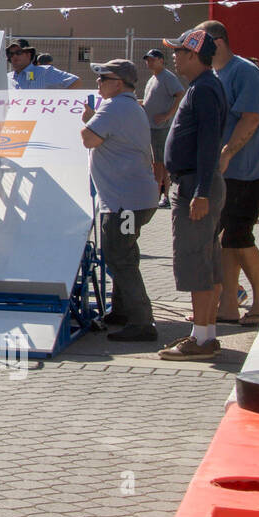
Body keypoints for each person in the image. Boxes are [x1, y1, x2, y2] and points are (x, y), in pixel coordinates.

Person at [198, 20, 259, 327]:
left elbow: (251, 119)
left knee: (240, 236)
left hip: (248, 171)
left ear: (217, 42)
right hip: (225, 172)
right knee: (225, 240)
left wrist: (227, 152)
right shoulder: (216, 74)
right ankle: (228, 304)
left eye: (198, 43)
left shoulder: (244, 71)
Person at [159, 29, 228, 361]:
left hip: (195, 187)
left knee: (196, 263)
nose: (173, 56)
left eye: (178, 51)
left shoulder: (203, 90)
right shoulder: (204, 87)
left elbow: (208, 144)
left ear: (192, 55)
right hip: (197, 184)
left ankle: (200, 340)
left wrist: (200, 192)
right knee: (207, 261)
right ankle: (206, 335)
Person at [80, 59, 160, 342]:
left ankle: (141, 321)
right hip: (132, 199)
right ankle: (123, 310)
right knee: (124, 253)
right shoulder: (129, 106)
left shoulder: (115, 107)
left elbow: (89, 138)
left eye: (103, 78)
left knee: (120, 258)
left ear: (118, 83)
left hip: (125, 202)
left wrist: (89, 118)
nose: (98, 83)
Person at [141, 48, 185, 208]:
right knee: (157, 162)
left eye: (153, 59)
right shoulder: (153, 78)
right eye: (148, 59)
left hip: (161, 128)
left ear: (161, 60)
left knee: (160, 163)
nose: (149, 62)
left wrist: (167, 115)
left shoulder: (167, 77)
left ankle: (162, 196)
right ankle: (160, 195)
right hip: (151, 127)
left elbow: (180, 93)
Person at [6, 41, 79, 90]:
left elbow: (75, 81)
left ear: (28, 55)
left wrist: (58, 102)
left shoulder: (45, 72)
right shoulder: (6, 78)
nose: (14, 56)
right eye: (11, 54)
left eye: (18, 52)